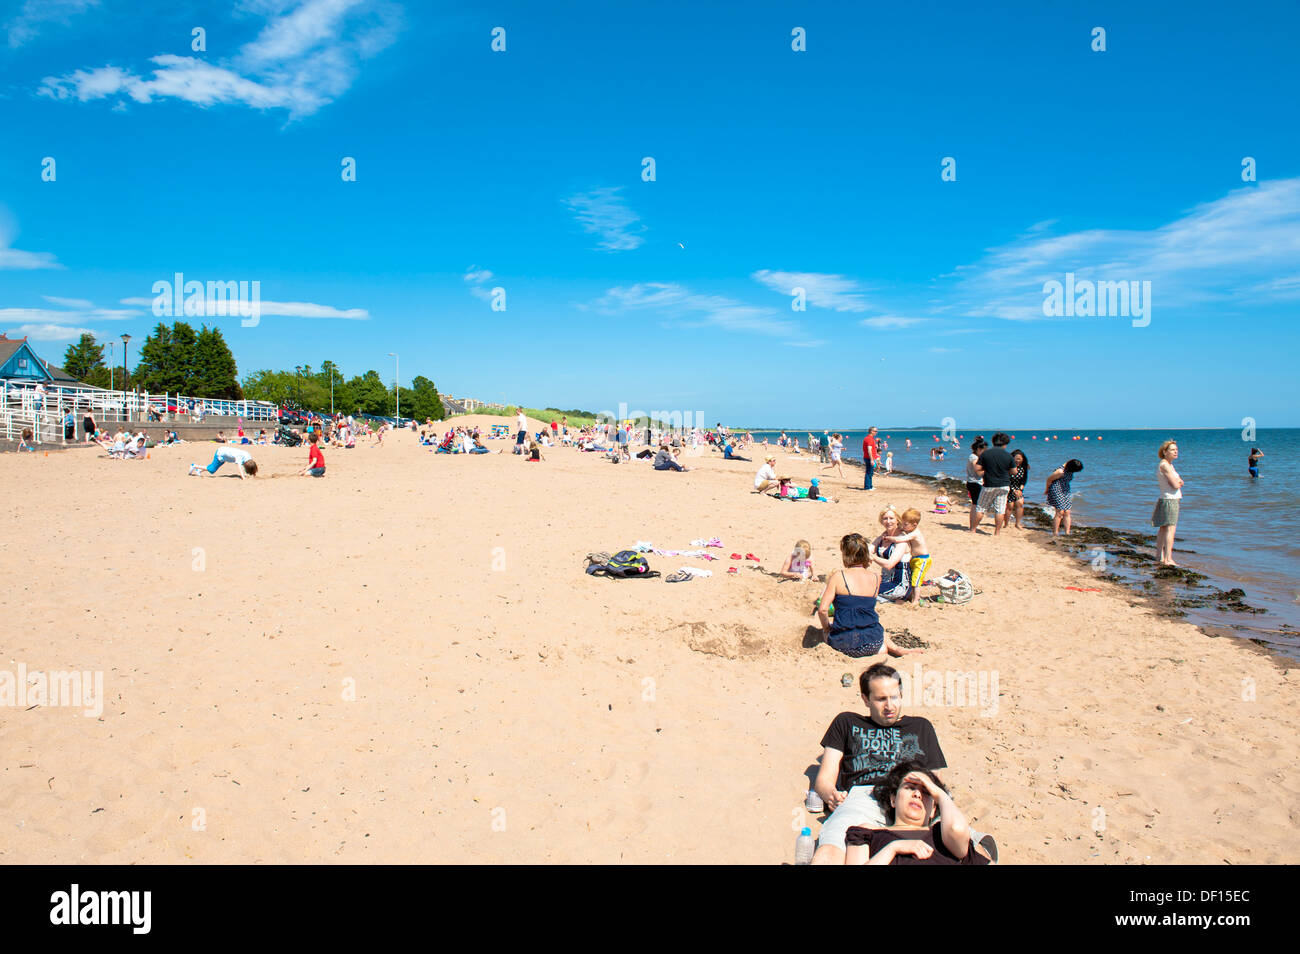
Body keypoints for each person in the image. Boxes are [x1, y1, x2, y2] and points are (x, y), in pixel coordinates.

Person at [810, 664, 946, 865]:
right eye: (881, 699)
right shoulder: (847, 722)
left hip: (913, 797)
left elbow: (937, 781)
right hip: (865, 797)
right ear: (866, 699)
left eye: (895, 697)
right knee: (831, 848)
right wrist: (831, 795)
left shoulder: (921, 726)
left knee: (968, 842)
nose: (890, 706)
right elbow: (824, 779)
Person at [843, 761, 992, 865]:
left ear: (934, 809)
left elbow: (956, 829)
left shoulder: (944, 835)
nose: (917, 794)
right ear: (893, 800)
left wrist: (939, 794)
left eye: (926, 792)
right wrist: (894, 848)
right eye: (909, 787)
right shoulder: (868, 832)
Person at [816, 534, 918, 656]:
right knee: (877, 628)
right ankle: (896, 649)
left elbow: (822, 610)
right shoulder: (876, 577)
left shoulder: (838, 576)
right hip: (873, 643)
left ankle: (888, 649)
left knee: (826, 631)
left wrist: (827, 628)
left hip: (844, 644)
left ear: (845, 554)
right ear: (866, 554)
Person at [883, 509, 931, 606]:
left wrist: (890, 538)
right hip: (915, 559)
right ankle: (912, 595)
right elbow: (900, 528)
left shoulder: (915, 533)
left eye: (906, 524)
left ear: (914, 524)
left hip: (922, 559)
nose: (903, 526)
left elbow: (901, 539)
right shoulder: (910, 530)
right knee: (912, 577)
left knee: (916, 581)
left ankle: (916, 600)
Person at [970, 432, 1013, 535]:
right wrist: (1004, 470)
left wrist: (987, 471)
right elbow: (1014, 471)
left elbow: (977, 468)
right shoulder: (1008, 455)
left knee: (981, 508)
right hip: (1004, 485)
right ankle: (997, 532)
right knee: (1000, 510)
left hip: (989, 484)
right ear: (1005, 444)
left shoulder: (986, 454)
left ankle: (973, 529)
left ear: (993, 442)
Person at [870, 509, 912, 602]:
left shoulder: (902, 540)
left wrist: (872, 557)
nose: (888, 521)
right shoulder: (882, 538)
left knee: (866, 592)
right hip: (884, 580)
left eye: (891, 518)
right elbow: (868, 550)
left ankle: (893, 600)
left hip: (899, 584)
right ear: (881, 521)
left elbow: (889, 564)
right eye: (885, 519)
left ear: (897, 520)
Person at [1153, 440, 1183, 565]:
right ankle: (1168, 558)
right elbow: (1176, 484)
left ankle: (1159, 556)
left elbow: (1177, 481)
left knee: (1164, 528)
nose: (1175, 451)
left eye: (1176, 449)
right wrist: (1180, 482)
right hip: (1169, 500)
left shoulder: (1169, 465)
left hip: (1167, 499)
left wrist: (1179, 482)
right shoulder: (1165, 465)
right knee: (1170, 529)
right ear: (1165, 452)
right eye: (1172, 450)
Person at [1044, 459, 1084, 536]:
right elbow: (1049, 479)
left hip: (1065, 490)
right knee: (1059, 512)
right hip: (1056, 490)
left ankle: (1067, 532)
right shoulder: (1060, 471)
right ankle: (1055, 532)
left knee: (1067, 512)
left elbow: (1071, 460)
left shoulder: (1069, 466)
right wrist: (1047, 490)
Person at [189, 445, 258, 478]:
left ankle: (199, 471)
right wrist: (243, 478)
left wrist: (254, 474)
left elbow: (252, 466)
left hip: (225, 455)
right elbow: (239, 467)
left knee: (212, 468)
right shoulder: (239, 457)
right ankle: (194, 466)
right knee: (212, 469)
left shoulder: (248, 457)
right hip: (220, 454)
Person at [1007, 449, 1030, 530]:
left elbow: (1024, 480)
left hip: (1018, 488)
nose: (1017, 461)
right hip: (1008, 487)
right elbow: (1006, 479)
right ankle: (1005, 523)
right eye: (1016, 458)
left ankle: (1017, 523)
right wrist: (1012, 490)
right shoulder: (1008, 466)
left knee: (1020, 503)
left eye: (1019, 459)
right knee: (1010, 506)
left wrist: (1020, 489)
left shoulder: (1024, 467)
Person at [963, 437, 986, 506]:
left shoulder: (973, 456)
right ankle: (975, 516)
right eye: (983, 450)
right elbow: (977, 470)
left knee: (975, 504)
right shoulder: (974, 457)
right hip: (975, 483)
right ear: (978, 449)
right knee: (978, 504)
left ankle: (973, 517)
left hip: (973, 482)